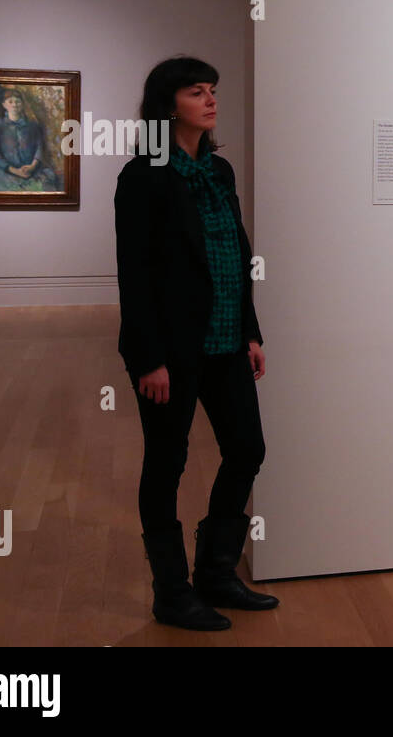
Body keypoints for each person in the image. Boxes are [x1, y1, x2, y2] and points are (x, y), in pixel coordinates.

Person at [115, 56, 278, 631]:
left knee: (247, 450)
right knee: (167, 463)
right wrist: (148, 358)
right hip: (172, 351)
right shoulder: (143, 177)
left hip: (228, 341)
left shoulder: (220, 171)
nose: (210, 100)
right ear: (168, 105)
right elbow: (133, 275)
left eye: (212, 90)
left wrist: (252, 330)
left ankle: (216, 570)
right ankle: (171, 591)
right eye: (195, 92)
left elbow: (234, 253)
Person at [0, 88, 61, 191]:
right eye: (10, 102)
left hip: (31, 170)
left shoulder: (33, 126)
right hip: (7, 173)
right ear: (4, 104)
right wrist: (15, 171)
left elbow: (39, 147)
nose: (14, 105)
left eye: (17, 101)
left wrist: (32, 166)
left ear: (22, 104)